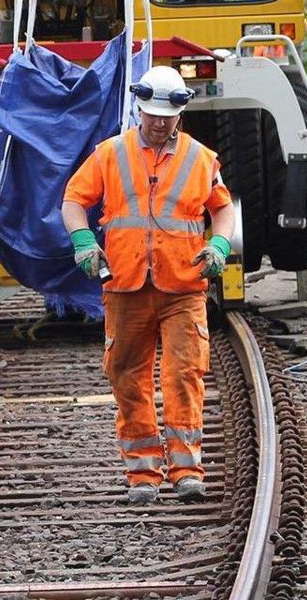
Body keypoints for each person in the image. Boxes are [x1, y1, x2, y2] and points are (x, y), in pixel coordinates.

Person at [61, 66, 236, 505]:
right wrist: (83, 241)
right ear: (139, 110)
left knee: (184, 375)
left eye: (167, 116)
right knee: (126, 376)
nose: (159, 123)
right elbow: (74, 200)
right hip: (125, 284)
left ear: (180, 114)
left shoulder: (201, 158)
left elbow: (223, 209)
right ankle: (142, 473)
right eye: (153, 115)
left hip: (183, 286)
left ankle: (186, 471)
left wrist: (218, 245)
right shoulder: (110, 153)